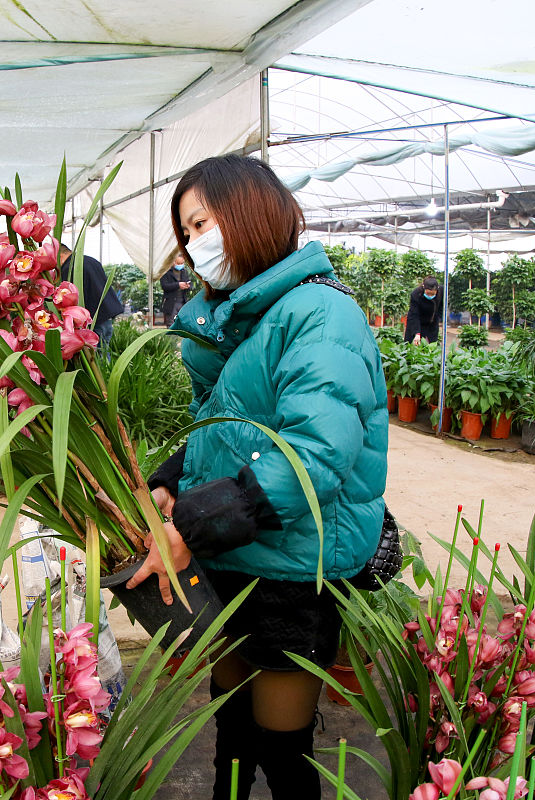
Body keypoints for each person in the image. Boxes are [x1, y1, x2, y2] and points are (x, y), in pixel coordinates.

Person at [125, 154, 388, 800]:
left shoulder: (321, 315)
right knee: (232, 727)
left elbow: (312, 457)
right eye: (186, 232)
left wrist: (188, 527)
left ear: (248, 214)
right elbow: (224, 429)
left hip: (291, 572)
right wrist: (170, 481)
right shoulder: (245, 318)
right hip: (235, 557)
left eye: (202, 224)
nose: (193, 245)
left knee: (281, 748)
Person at [57, 242, 123, 345]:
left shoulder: (70, 268)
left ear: (59, 257)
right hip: (106, 315)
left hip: (93, 320)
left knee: (95, 352)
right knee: (103, 351)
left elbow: (71, 298)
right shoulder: (90, 260)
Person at [403, 277, 442, 343]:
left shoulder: (441, 292)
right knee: (412, 342)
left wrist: (438, 317)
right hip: (416, 320)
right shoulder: (416, 294)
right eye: (428, 293)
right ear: (424, 288)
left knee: (431, 343)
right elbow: (414, 314)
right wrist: (417, 333)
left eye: (432, 294)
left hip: (432, 321)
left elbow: (441, 307)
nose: (430, 296)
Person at [159, 250, 193, 325]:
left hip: (182, 301)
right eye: (178, 263)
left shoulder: (184, 271)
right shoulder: (165, 272)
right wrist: (178, 285)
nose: (180, 265)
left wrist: (188, 286)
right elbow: (164, 286)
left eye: (182, 263)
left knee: (182, 323)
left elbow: (190, 283)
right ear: (173, 262)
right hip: (171, 302)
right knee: (171, 323)